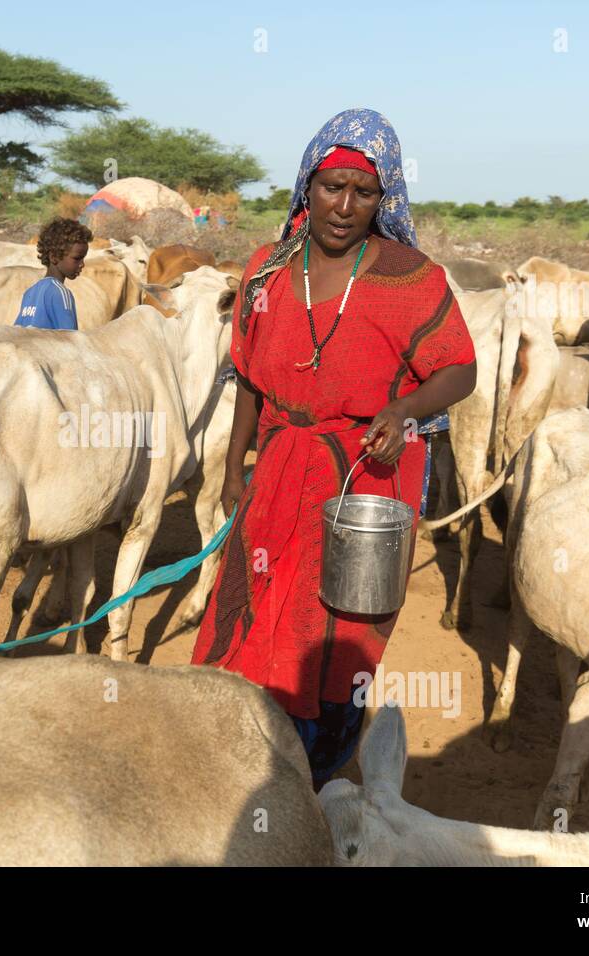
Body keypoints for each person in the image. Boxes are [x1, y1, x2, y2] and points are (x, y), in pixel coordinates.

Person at [190, 109, 478, 791]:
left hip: (363, 483)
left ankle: (314, 791)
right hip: (278, 475)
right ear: (306, 185)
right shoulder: (265, 272)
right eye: (331, 187)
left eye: (364, 192)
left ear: (387, 199)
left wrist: (405, 408)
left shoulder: (413, 279)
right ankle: (236, 774)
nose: (345, 208)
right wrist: (235, 469)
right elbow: (250, 382)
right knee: (247, 612)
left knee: (335, 640)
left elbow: (459, 369)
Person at [14, 217, 91, 330]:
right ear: (54, 257)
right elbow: (71, 341)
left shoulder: (30, 293)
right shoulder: (60, 292)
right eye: (77, 258)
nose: (82, 264)